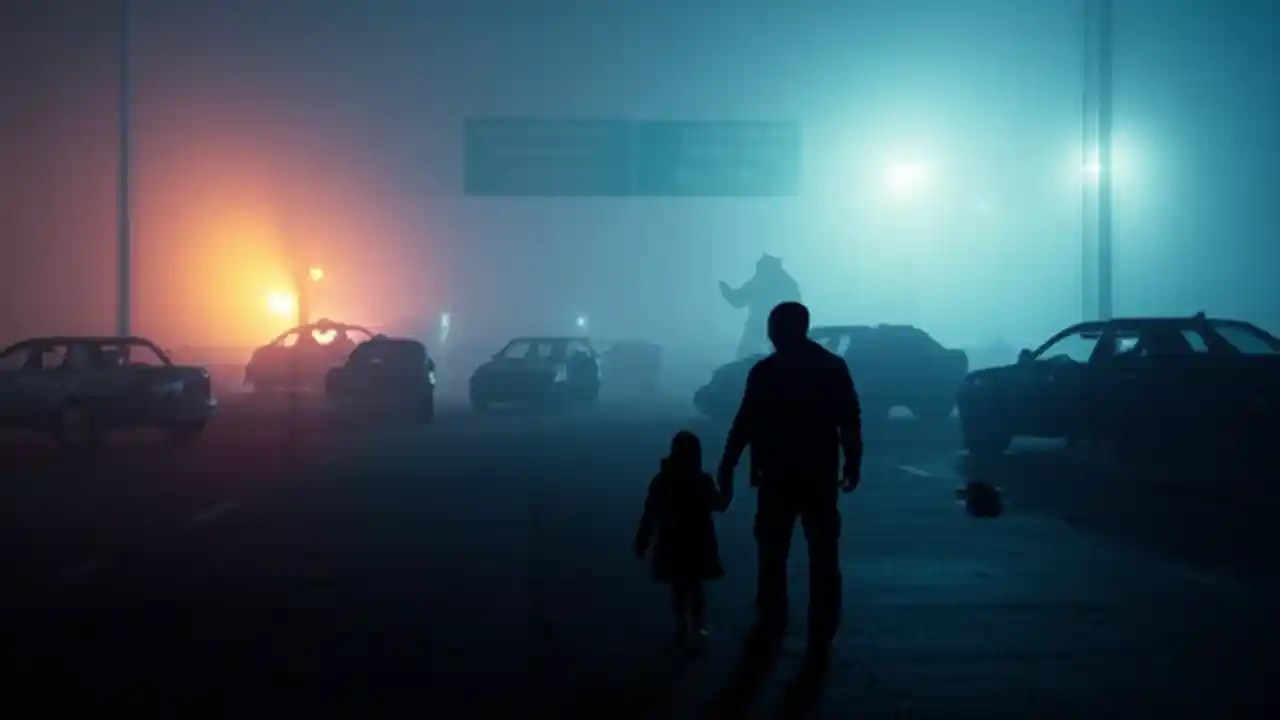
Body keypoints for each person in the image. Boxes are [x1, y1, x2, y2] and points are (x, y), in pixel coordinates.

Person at [716, 301, 863, 673]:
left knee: (774, 551)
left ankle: (773, 616)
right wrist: (852, 461)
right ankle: (822, 626)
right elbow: (849, 419)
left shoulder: (766, 371)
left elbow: (745, 421)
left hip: (777, 474)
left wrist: (729, 462)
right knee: (822, 554)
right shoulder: (830, 367)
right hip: (817, 474)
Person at [634, 430, 726, 649]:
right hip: (698, 542)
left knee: (679, 587)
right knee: (695, 585)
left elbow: (650, 513)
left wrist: (643, 539)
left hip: (672, 542)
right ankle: (697, 626)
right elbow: (719, 504)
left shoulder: (662, 481)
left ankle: (683, 627)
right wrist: (726, 480)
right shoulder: (703, 481)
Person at [720, 254, 802, 359]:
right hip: (759, 326)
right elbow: (738, 301)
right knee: (747, 354)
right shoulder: (759, 281)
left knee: (770, 354)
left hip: (776, 327)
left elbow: (738, 301)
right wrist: (727, 292)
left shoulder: (781, 282)